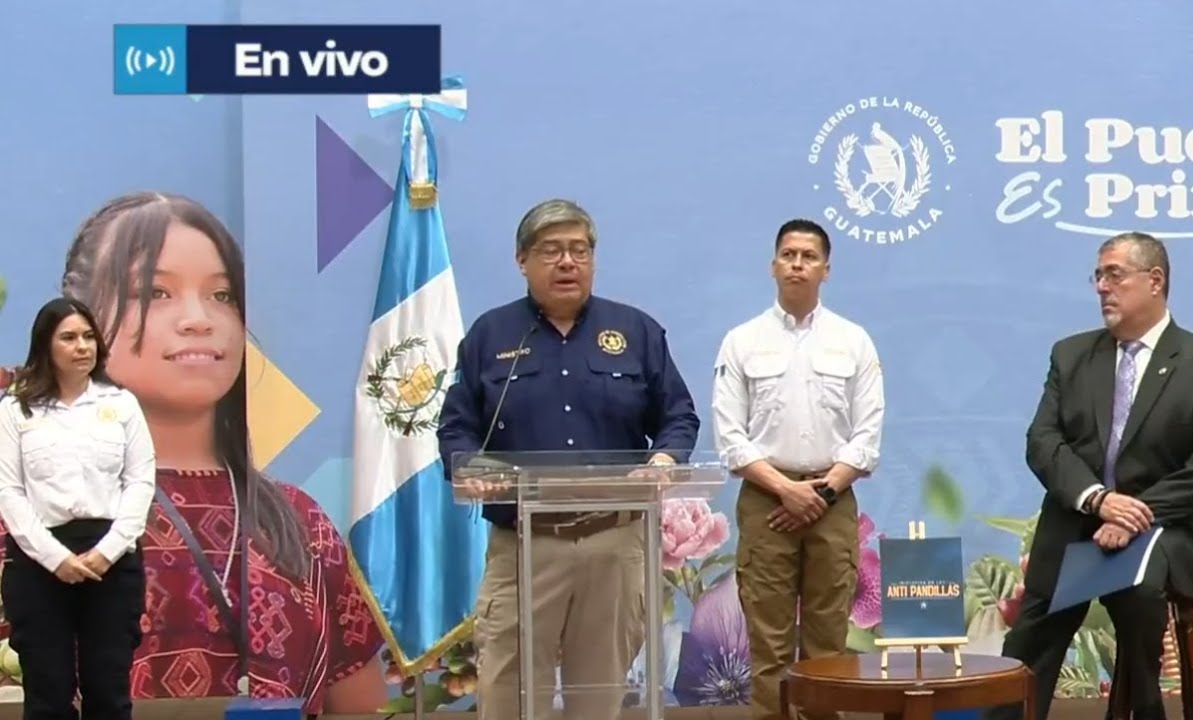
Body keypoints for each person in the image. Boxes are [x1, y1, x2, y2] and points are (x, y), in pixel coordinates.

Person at [0, 192, 387, 714]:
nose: (198, 319)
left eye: (222, 296)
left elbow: (357, 704)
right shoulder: (25, 516)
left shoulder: (297, 522)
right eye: (156, 292)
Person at [437, 198, 700, 720]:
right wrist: (470, 465)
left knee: (598, 696)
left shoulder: (636, 331)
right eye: (552, 250)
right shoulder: (491, 336)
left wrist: (666, 460)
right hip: (525, 545)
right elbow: (457, 426)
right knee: (507, 692)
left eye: (579, 250)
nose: (567, 262)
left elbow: (678, 415)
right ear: (522, 260)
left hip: (613, 541)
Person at [991, 232, 1193, 720]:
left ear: (1155, 281)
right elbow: (1043, 442)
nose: (1102, 286)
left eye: (1114, 274)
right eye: (1098, 276)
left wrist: (1133, 516)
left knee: (1139, 593)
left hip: (1161, 527)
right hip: (1077, 518)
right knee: (1031, 638)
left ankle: (1141, 710)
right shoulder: (1072, 355)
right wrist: (1097, 500)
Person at [710, 219, 884, 720]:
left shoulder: (853, 341)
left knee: (828, 643)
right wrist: (786, 490)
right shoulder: (742, 341)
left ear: (826, 270)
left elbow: (867, 436)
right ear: (773, 265)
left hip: (833, 498)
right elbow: (731, 439)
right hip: (767, 499)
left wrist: (820, 494)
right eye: (788, 255)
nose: (797, 264)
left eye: (809, 256)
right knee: (768, 643)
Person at [0, 297, 156, 720]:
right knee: (47, 693)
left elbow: (140, 482)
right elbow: (8, 490)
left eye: (89, 336)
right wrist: (56, 559)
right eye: (69, 338)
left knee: (108, 689)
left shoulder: (122, 405)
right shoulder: (16, 408)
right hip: (39, 561)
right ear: (45, 345)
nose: (82, 346)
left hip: (110, 557)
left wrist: (108, 551)